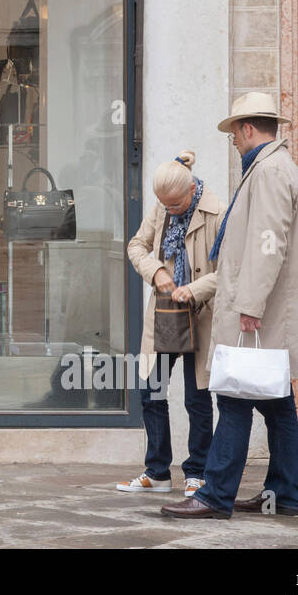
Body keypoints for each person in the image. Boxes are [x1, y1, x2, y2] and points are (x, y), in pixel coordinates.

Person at [162, 92, 298, 519]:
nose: (232, 140)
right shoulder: (276, 168)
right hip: (267, 313)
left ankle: (214, 495)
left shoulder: (267, 172)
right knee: (277, 403)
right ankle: (281, 495)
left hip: (257, 315)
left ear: (248, 129)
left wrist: (250, 305)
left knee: (232, 398)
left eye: (233, 132)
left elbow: (268, 245)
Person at [117, 150, 224, 497]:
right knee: (151, 391)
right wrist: (157, 271)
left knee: (197, 398)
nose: (169, 209)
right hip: (164, 314)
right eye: (164, 204)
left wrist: (192, 290)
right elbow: (136, 246)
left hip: (200, 315)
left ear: (192, 190)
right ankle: (158, 472)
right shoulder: (162, 207)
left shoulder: (218, 213)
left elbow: (229, 272)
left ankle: (198, 473)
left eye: (175, 204)